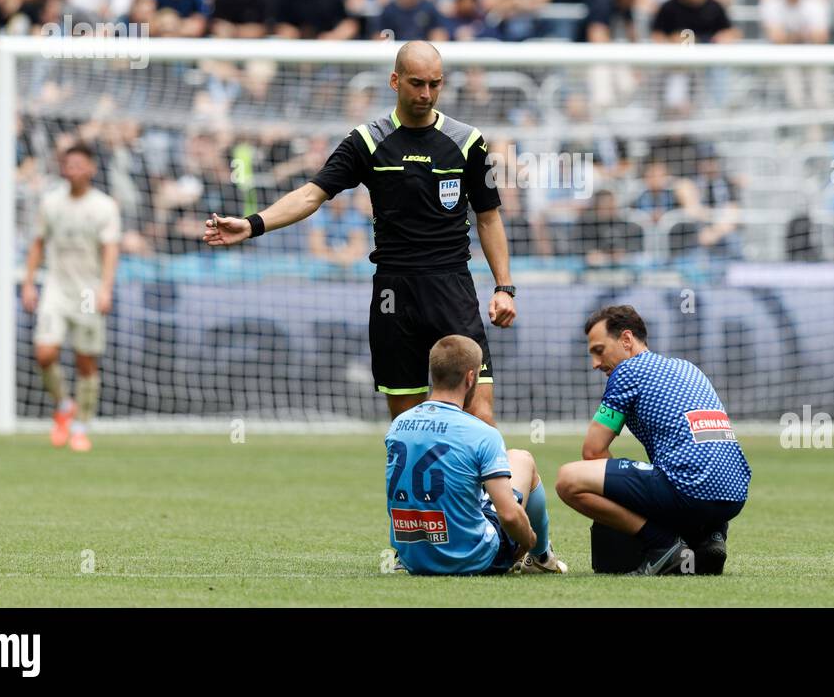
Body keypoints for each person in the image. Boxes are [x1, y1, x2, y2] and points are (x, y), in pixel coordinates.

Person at [203, 42, 517, 424]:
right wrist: (253, 224)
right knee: (407, 419)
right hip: (393, 292)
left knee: (479, 412)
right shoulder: (367, 141)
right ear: (394, 80)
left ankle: (484, 487)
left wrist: (504, 287)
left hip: (452, 286)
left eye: (435, 84)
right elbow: (311, 195)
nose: (426, 94)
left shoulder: (467, 141)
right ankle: (415, 486)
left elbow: (489, 217)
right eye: (417, 83)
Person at [556, 305, 751, 575]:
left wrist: (627, 510)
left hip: (690, 492)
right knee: (684, 465)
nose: (595, 364)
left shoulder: (627, 372)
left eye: (599, 351)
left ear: (626, 340)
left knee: (569, 479)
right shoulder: (688, 367)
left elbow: (592, 451)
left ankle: (663, 546)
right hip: (734, 495)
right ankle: (708, 538)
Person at [385, 334, 567, 576]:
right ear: (471, 378)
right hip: (474, 558)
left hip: (413, 558)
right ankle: (542, 556)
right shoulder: (482, 432)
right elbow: (510, 516)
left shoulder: (398, 425)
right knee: (522, 458)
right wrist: (529, 540)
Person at [21, 143, 122, 453]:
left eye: (79, 164)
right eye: (68, 164)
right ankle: (64, 405)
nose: (72, 169)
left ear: (91, 168)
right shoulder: (51, 203)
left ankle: (81, 425)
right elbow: (38, 243)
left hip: (89, 292)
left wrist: (105, 288)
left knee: (85, 360)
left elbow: (110, 250)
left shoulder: (104, 206)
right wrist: (28, 283)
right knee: (45, 353)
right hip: (56, 287)